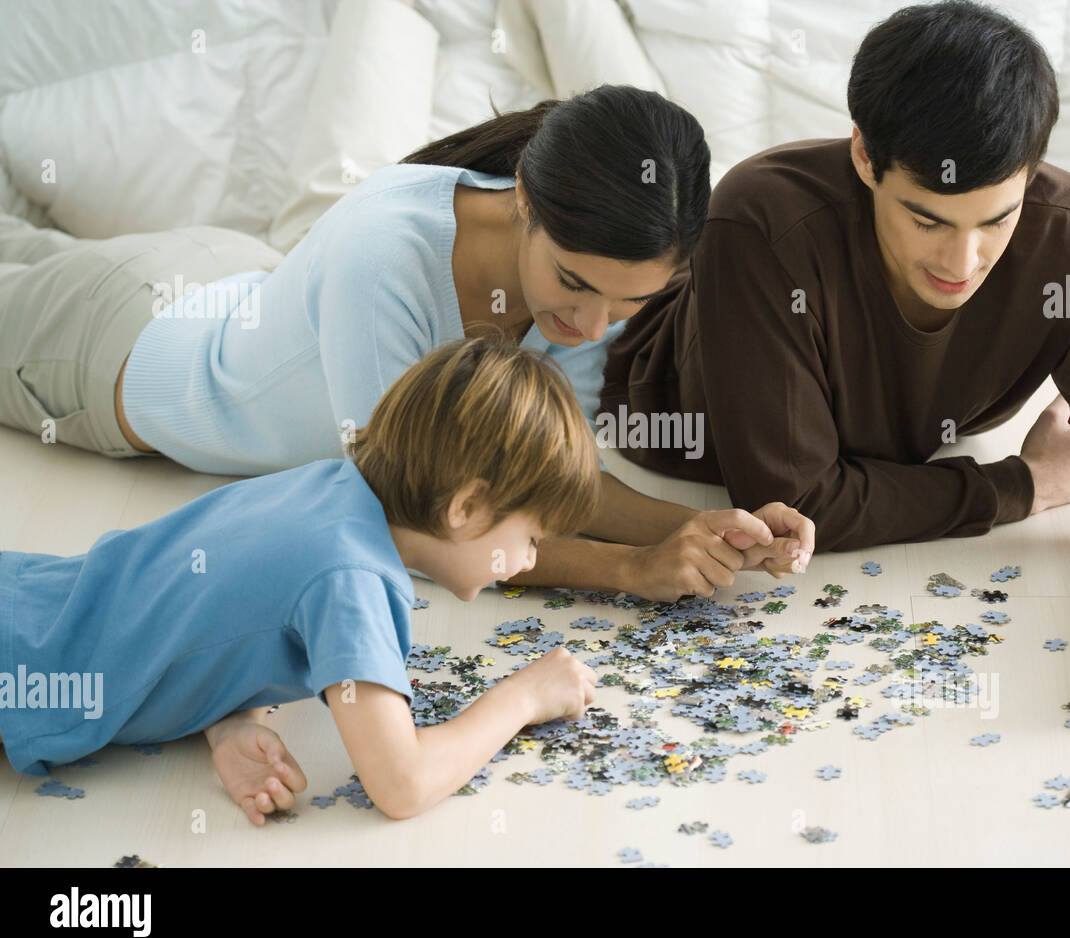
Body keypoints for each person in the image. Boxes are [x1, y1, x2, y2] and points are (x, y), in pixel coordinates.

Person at [599, 1, 1070, 718]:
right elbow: (799, 503)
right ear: (863, 154)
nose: (963, 261)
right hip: (654, 396)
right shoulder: (759, 221)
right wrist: (1023, 485)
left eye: (997, 219)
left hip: (903, 432)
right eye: (927, 219)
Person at [0, 84, 814, 600]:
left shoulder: (581, 289)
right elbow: (416, 522)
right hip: (106, 353)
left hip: (216, 271)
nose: (594, 326)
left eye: (631, 304)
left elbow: (559, 482)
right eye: (574, 284)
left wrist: (716, 531)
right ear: (525, 198)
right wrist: (634, 571)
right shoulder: (383, 258)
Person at [0, 339, 610, 823]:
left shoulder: (325, 488)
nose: (531, 561)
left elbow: (211, 611)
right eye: (531, 538)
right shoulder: (351, 578)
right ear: (467, 508)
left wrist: (231, 720)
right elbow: (401, 784)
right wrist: (521, 697)